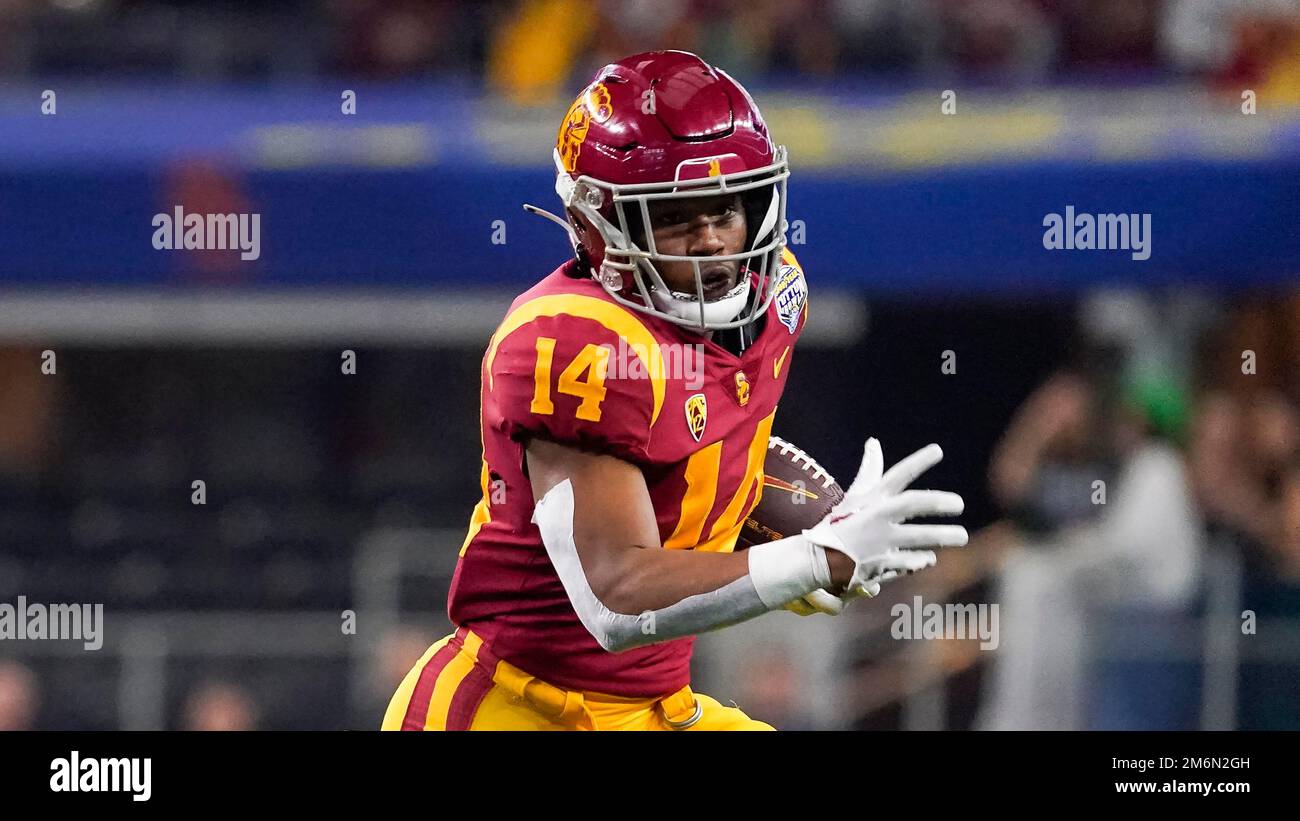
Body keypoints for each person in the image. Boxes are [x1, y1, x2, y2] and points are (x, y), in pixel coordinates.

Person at [384, 50, 967, 731]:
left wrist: (831, 531)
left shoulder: (776, 297)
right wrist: (809, 558)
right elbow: (616, 599)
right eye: (678, 217)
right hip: (518, 706)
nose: (715, 241)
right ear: (597, 226)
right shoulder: (575, 343)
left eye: (728, 209)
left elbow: (704, 454)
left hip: (652, 707)